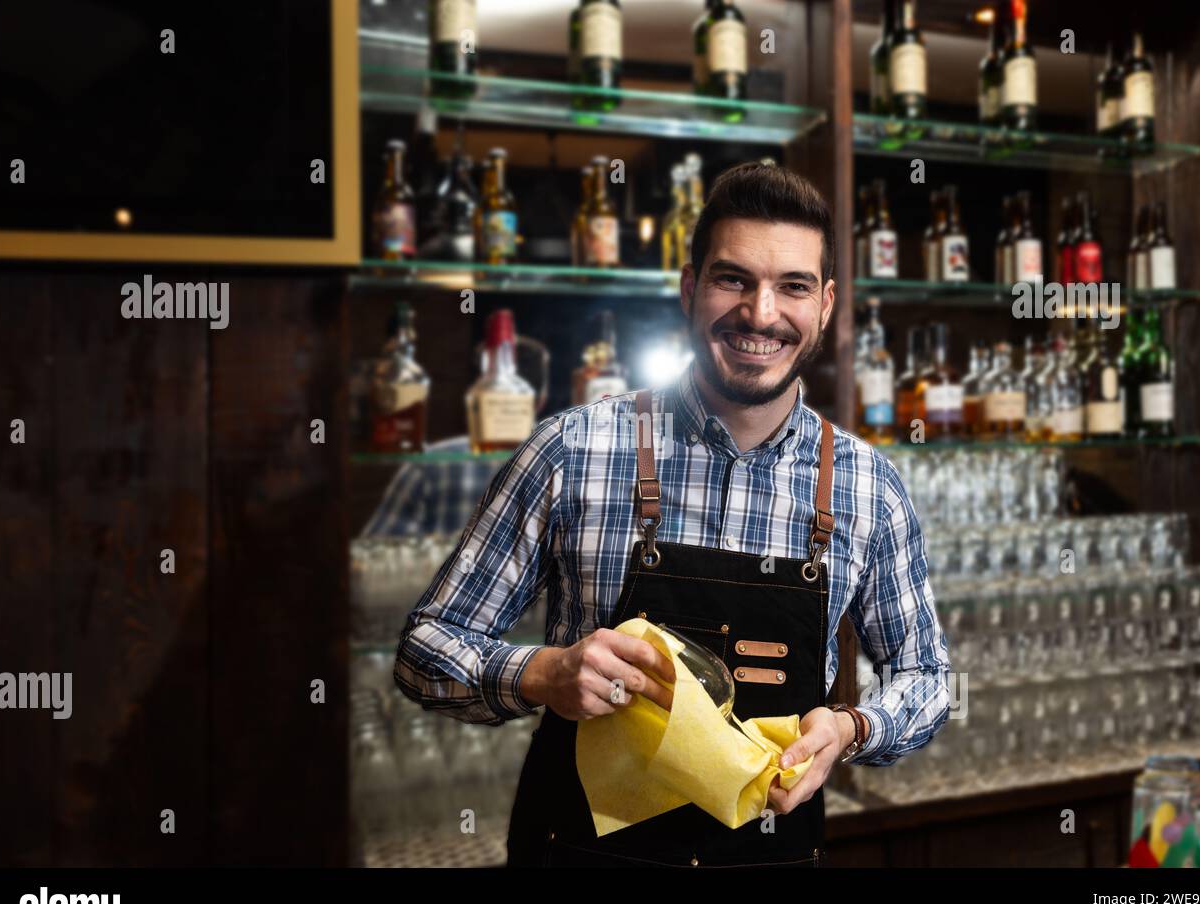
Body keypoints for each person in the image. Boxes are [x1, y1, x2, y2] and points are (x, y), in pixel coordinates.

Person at [395, 162, 951, 867]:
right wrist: (541, 672)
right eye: (733, 279)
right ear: (690, 288)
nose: (761, 313)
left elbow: (928, 680)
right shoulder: (572, 449)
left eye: (793, 287)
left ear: (827, 304)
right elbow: (425, 649)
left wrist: (850, 725)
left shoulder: (869, 487)